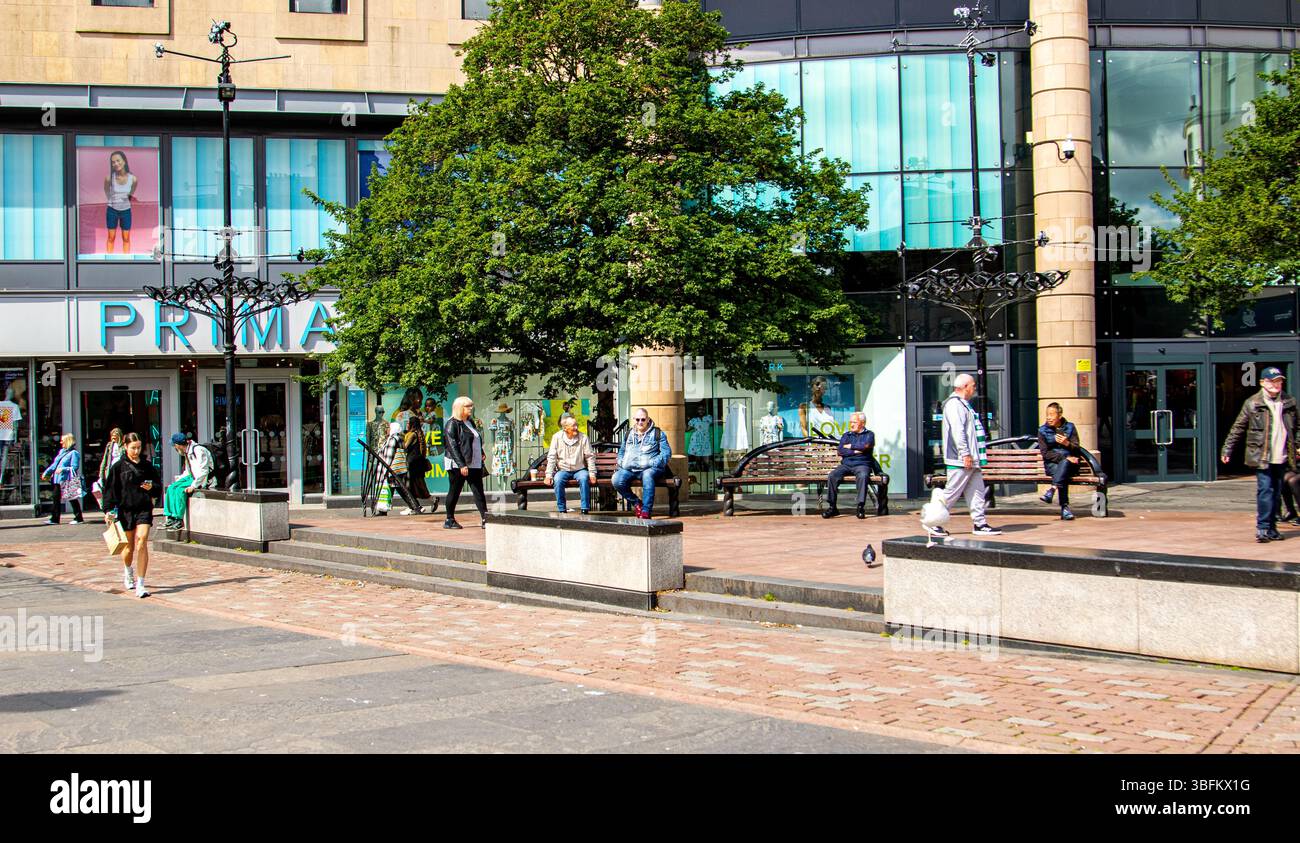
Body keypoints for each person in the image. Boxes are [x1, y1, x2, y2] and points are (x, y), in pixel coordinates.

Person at [1221, 366, 1300, 543]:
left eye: (1278, 381)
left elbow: (1297, 427)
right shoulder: (1253, 403)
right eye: (1272, 381)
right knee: (1265, 490)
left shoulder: (1289, 402)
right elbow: (1238, 427)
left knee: (1276, 491)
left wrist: (1297, 446)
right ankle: (1263, 527)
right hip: (1262, 455)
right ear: (1263, 383)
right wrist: (1227, 449)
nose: (1276, 385)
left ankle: (1272, 528)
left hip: (1282, 455)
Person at [927, 374, 1001, 538]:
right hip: (961, 459)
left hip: (971, 459)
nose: (975, 389)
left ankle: (980, 523)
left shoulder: (963, 404)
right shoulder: (955, 405)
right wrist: (965, 453)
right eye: (973, 385)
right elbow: (958, 431)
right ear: (965, 386)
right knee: (952, 492)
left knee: (977, 491)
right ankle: (934, 522)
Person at [102, 432, 162, 598]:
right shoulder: (118, 467)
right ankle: (128, 570)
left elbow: (158, 485)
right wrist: (108, 510)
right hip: (125, 508)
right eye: (133, 448)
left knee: (142, 541)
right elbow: (110, 490)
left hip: (143, 507)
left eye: (138, 447)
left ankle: (141, 584)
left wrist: (152, 487)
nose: (136, 451)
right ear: (125, 447)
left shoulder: (147, 466)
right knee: (128, 546)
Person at [612, 408, 672, 519]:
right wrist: (621, 462)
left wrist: (653, 462)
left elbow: (666, 453)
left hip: (650, 468)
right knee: (616, 480)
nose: (640, 422)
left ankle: (646, 510)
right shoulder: (629, 433)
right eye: (638, 419)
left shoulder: (658, 433)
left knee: (647, 476)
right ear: (634, 419)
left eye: (643, 419)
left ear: (648, 419)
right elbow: (621, 451)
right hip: (630, 469)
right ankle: (636, 503)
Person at [823, 412, 882, 520]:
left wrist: (850, 446)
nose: (851, 424)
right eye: (851, 422)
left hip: (862, 465)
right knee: (832, 475)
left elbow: (866, 446)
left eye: (854, 422)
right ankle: (832, 507)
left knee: (863, 476)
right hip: (846, 465)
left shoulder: (869, 435)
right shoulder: (847, 435)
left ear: (862, 423)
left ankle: (860, 507)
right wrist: (855, 451)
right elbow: (840, 451)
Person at [443, 396, 488, 529]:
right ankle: (449, 518)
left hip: (474, 462)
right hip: (458, 464)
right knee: (455, 490)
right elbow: (452, 447)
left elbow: (474, 439)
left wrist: (481, 452)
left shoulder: (470, 422)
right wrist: (461, 464)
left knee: (478, 490)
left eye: (471, 406)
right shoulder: (452, 424)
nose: (470, 409)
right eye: (468, 406)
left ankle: (485, 518)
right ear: (460, 408)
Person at [1037, 402, 1081, 521]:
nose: (1048, 417)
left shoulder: (1070, 427)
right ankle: (1064, 508)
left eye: (1052, 414)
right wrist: (1064, 458)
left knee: (1064, 468)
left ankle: (1052, 489)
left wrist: (1067, 443)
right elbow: (1045, 453)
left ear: (1059, 415)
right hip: (1052, 464)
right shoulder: (1042, 430)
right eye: (1047, 414)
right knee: (1063, 469)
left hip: (1071, 465)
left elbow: (1077, 448)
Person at [545, 412, 597, 514]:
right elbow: (552, 457)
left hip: (579, 469)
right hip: (563, 470)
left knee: (583, 478)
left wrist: (592, 473)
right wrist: (548, 475)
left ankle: (585, 508)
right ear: (565, 428)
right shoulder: (557, 437)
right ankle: (562, 509)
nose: (576, 427)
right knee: (558, 480)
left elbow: (590, 457)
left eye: (576, 425)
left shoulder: (583, 438)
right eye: (573, 426)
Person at [163, 432, 215, 530]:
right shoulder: (187, 452)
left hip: (200, 479)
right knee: (171, 488)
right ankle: (170, 516)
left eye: (175, 445)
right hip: (191, 476)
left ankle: (179, 519)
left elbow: (204, 471)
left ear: (178, 445)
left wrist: (193, 486)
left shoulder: (199, 450)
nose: (175, 448)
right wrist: (180, 479)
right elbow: (188, 470)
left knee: (179, 490)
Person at [42, 433, 85, 525]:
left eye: (63, 440)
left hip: (67, 479)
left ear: (68, 441)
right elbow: (54, 465)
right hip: (57, 479)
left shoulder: (74, 453)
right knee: (56, 498)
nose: (61, 442)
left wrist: (63, 469)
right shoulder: (61, 452)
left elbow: (74, 467)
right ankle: (55, 518)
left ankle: (78, 517)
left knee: (71, 498)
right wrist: (46, 473)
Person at [103, 150, 137, 254]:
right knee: (111, 237)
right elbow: (106, 191)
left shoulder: (133, 179)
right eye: (113, 162)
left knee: (126, 238)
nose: (116, 164)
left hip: (126, 211)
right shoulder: (109, 178)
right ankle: (108, 260)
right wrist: (113, 200)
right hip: (112, 210)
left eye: (118, 161)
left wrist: (125, 200)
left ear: (124, 161)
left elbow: (131, 192)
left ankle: (126, 260)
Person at [404, 416, 431, 501]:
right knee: (418, 484)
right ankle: (418, 504)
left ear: (412, 424)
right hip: (418, 463)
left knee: (413, 485)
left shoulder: (412, 435)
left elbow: (405, 447)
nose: (407, 424)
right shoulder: (419, 433)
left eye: (408, 423)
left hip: (412, 464)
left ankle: (429, 500)